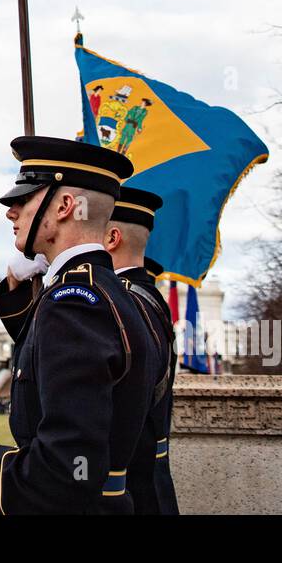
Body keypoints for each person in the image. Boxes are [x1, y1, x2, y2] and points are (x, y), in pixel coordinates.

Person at [0, 135, 155, 515]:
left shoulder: (73, 303)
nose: (10, 211)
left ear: (65, 207)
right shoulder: (96, 292)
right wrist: (16, 284)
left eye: (25, 197)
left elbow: (64, 474)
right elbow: (42, 356)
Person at [105, 185, 180, 515]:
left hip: (130, 491)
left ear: (112, 239)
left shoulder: (125, 302)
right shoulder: (145, 297)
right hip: (147, 483)